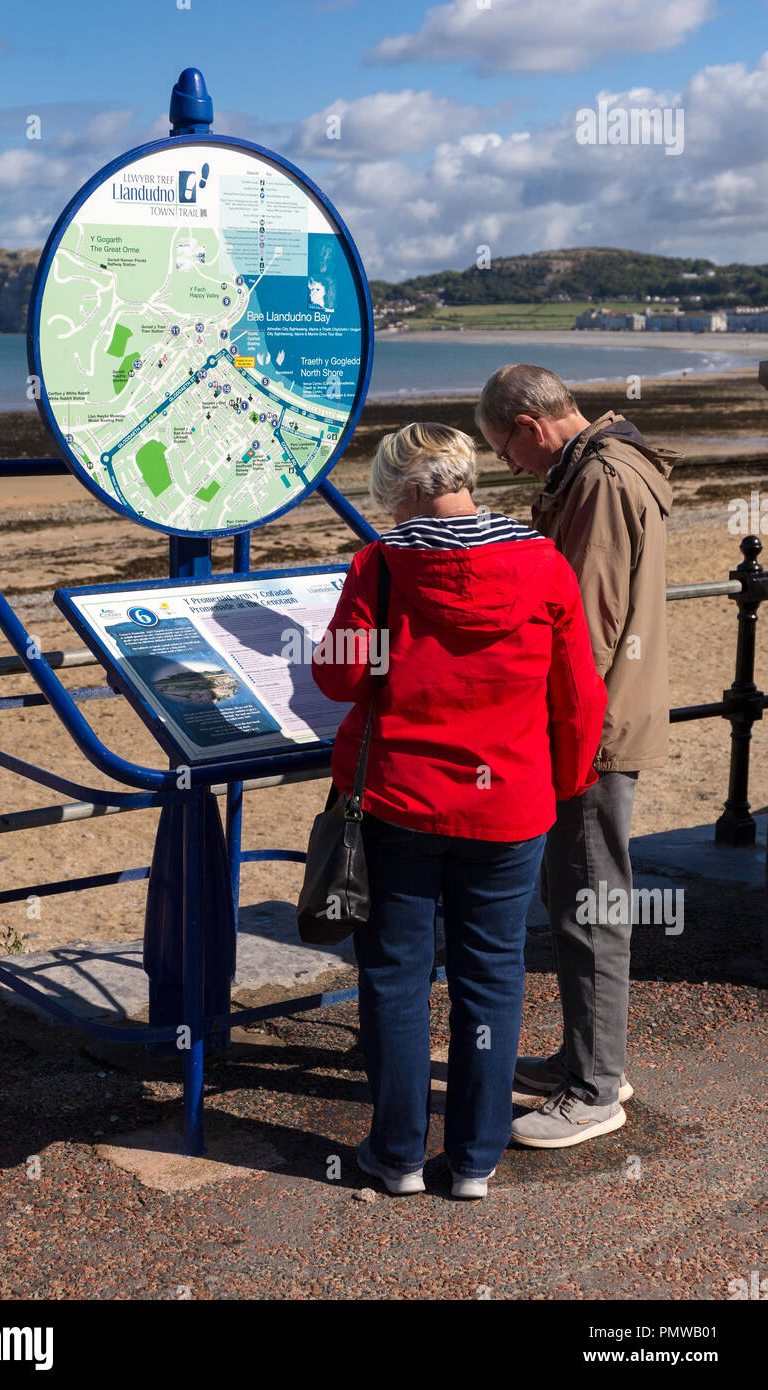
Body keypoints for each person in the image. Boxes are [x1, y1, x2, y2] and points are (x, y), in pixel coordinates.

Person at [311, 423, 606, 1197]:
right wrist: (565, 782)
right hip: (509, 804)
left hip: (401, 802)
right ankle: (474, 1162)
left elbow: (341, 680)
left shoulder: (381, 567)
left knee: (396, 977)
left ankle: (397, 1155)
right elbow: (578, 693)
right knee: (492, 978)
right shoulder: (543, 563)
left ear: (406, 490)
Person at [476, 364, 676, 1148]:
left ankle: (595, 1090)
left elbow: (581, 627)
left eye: (506, 451)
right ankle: (591, 1059)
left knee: (590, 898)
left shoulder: (597, 480)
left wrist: (552, 730)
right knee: (584, 894)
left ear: (530, 426)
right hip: (613, 715)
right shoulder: (623, 462)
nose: (511, 467)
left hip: (591, 731)